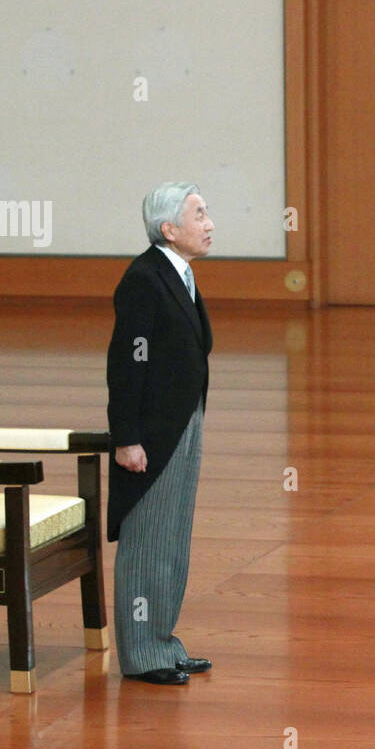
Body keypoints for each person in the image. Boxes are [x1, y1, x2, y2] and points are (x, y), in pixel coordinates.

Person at [106, 182, 215, 685]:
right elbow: (126, 365)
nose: (209, 224)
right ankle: (142, 654)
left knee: (171, 539)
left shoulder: (179, 275)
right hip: (151, 434)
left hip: (183, 421)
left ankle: (163, 643)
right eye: (199, 215)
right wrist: (126, 438)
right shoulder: (143, 280)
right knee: (147, 542)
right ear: (169, 229)